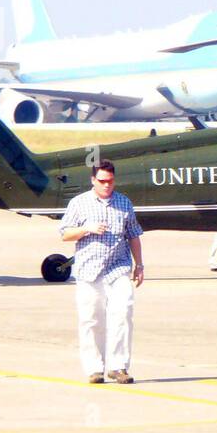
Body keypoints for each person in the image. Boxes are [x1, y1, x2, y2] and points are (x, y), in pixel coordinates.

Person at [59, 160, 144, 383]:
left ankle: (119, 367)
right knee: (91, 319)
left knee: (123, 313)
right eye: (102, 181)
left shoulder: (124, 203)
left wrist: (140, 264)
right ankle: (94, 368)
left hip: (118, 268)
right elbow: (65, 233)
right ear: (93, 180)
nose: (107, 185)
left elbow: (134, 234)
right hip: (89, 270)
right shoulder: (79, 203)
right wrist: (86, 229)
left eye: (110, 181)